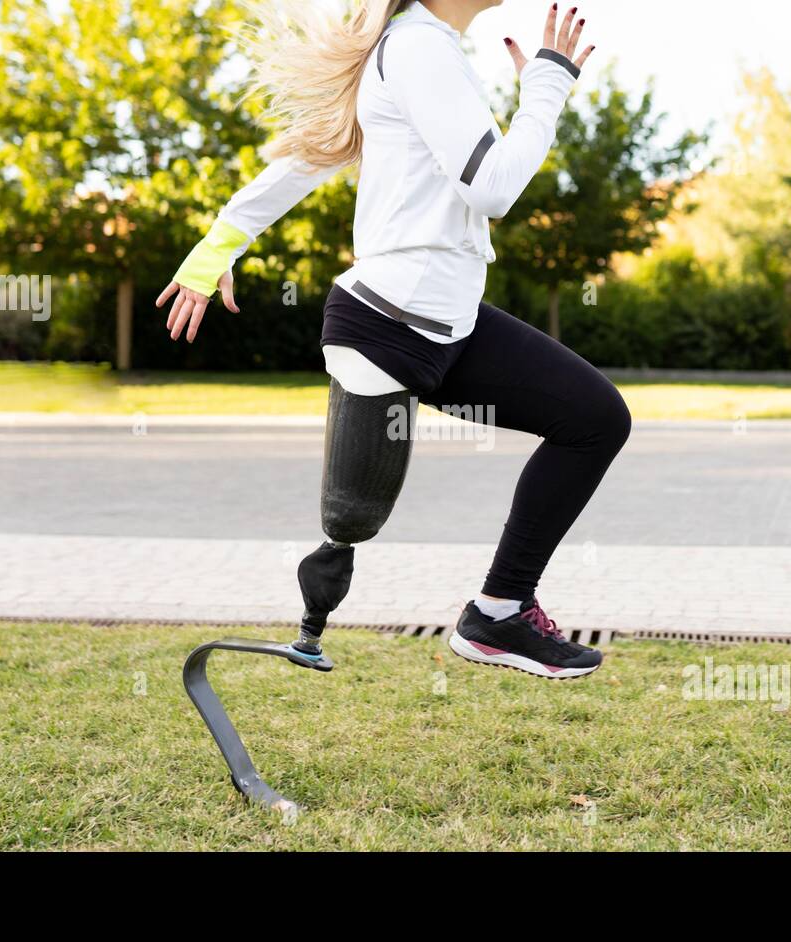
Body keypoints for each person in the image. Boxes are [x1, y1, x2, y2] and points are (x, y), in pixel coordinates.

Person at [157, 0, 629, 679]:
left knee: (595, 418)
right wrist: (548, 89)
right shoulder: (418, 48)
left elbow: (311, 153)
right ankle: (318, 626)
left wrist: (220, 246)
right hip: (386, 325)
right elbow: (492, 187)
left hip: (451, 323)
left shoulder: (422, 49)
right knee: (348, 524)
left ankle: (497, 613)